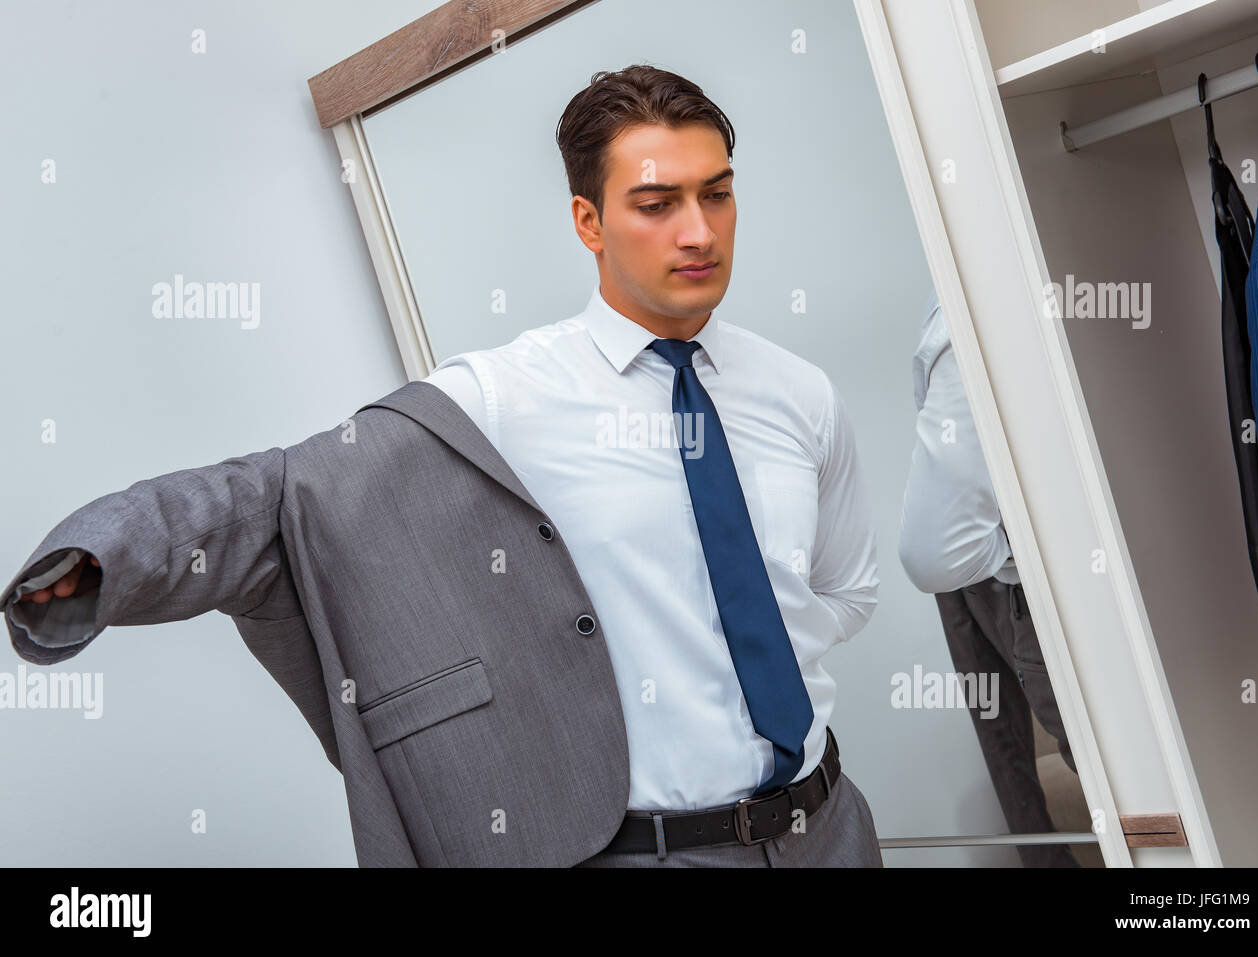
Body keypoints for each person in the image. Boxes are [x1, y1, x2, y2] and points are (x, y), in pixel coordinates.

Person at [19, 64, 883, 867]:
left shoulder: (799, 394)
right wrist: (105, 558)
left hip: (832, 826)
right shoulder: (504, 399)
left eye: (717, 195)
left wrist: (720, 642)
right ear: (589, 221)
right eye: (656, 203)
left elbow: (843, 592)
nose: (699, 231)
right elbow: (280, 496)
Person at [899, 288, 1079, 867]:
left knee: (1081, 757)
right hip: (991, 561)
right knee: (1017, 739)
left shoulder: (970, 313)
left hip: (1001, 565)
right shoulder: (965, 308)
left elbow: (928, 552)